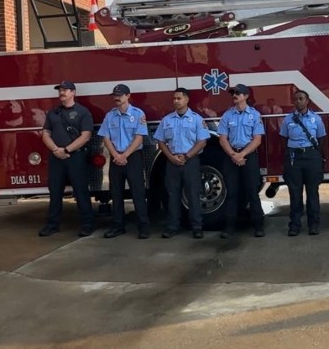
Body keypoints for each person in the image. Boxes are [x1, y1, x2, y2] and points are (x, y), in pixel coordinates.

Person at [38, 80, 95, 237]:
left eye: (65, 90)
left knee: (81, 191)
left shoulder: (83, 112)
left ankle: (87, 225)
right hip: (56, 157)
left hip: (75, 157)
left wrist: (67, 149)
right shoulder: (53, 113)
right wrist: (56, 149)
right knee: (55, 192)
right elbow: (46, 134)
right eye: (60, 90)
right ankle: (52, 224)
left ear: (73, 92)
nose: (61, 92)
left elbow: (86, 136)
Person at [153, 87, 210, 239]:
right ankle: (172, 227)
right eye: (174, 99)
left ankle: (197, 227)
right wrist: (171, 157)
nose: (176, 101)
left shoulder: (197, 119)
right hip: (172, 162)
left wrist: (186, 156)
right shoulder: (167, 120)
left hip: (190, 161)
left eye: (179, 98)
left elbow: (202, 141)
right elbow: (160, 141)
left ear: (187, 100)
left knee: (193, 195)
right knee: (173, 196)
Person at [98, 84, 150, 239]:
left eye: (120, 95)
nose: (117, 98)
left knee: (138, 193)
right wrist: (115, 155)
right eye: (115, 95)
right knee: (116, 194)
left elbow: (139, 137)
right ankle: (118, 226)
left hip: (132, 157)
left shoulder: (138, 114)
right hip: (116, 157)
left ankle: (143, 227)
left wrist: (125, 155)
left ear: (128, 96)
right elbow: (105, 137)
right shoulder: (110, 116)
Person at [218, 84, 266, 239]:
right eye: (233, 93)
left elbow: (257, 139)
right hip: (231, 156)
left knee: (252, 191)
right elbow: (222, 138)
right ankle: (229, 227)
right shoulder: (227, 116)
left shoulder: (254, 115)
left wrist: (242, 154)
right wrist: (233, 155)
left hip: (249, 157)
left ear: (246, 96)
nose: (235, 95)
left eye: (238, 93)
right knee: (231, 192)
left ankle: (258, 226)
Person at [280, 89, 326, 236]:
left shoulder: (316, 119)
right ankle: (294, 226)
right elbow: (283, 139)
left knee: (313, 192)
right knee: (295, 193)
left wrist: (315, 155)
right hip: (294, 158)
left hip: (311, 156)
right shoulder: (288, 119)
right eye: (296, 99)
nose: (298, 101)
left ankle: (314, 225)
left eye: (301, 99)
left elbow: (321, 139)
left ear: (307, 101)